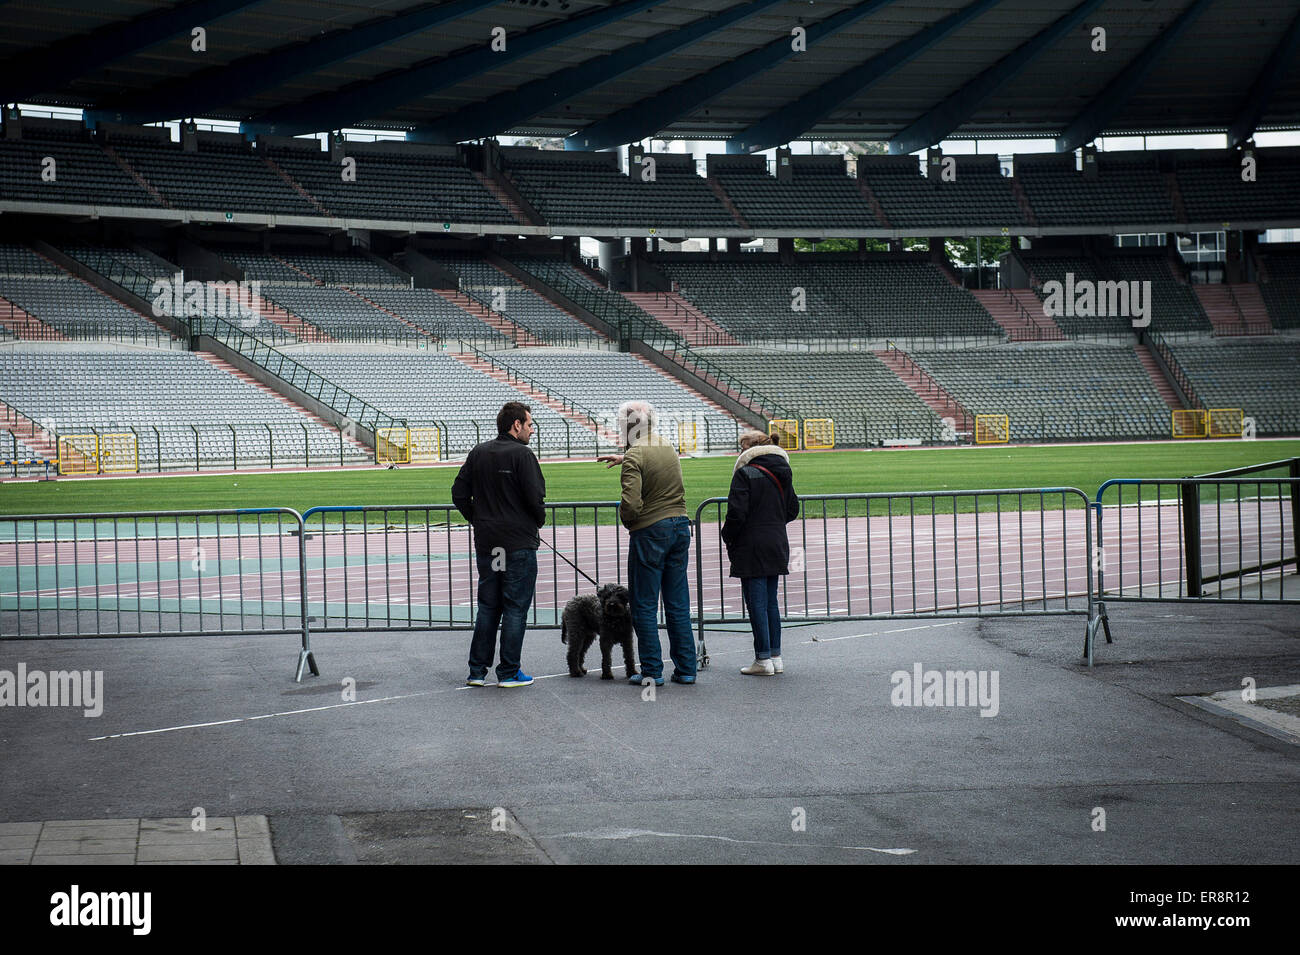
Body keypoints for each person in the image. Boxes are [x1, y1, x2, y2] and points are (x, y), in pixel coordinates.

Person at [598, 401, 695, 686]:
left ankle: (652, 670)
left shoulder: (635, 455)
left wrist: (631, 523)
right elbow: (652, 466)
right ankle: (686, 668)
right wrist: (625, 458)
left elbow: (630, 504)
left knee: (644, 605)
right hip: (680, 525)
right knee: (677, 603)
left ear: (627, 427)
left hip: (651, 531)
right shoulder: (667, 446)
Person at [452, 401, 545, 688]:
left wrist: (479, 519)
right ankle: (508, 672)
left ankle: (477, 671)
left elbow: (458, 493)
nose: (532, 430)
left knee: (489, 607)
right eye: (530, 424)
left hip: (490, 545)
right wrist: (535, 522)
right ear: (516, 424)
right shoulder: (523, 455)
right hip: (518, 544)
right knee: (515, 608)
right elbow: (535, 499)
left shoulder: (479, 452)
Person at [722, 430, 799, 676]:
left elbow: (736, 513)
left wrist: (727, 536)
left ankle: (762, 659)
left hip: (751, 542)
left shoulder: (745, 473)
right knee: (771, 602)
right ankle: (775, 656)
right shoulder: (783, 470)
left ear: (748, 448)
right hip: (776, 540)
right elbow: (792, 509)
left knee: (756, 603)